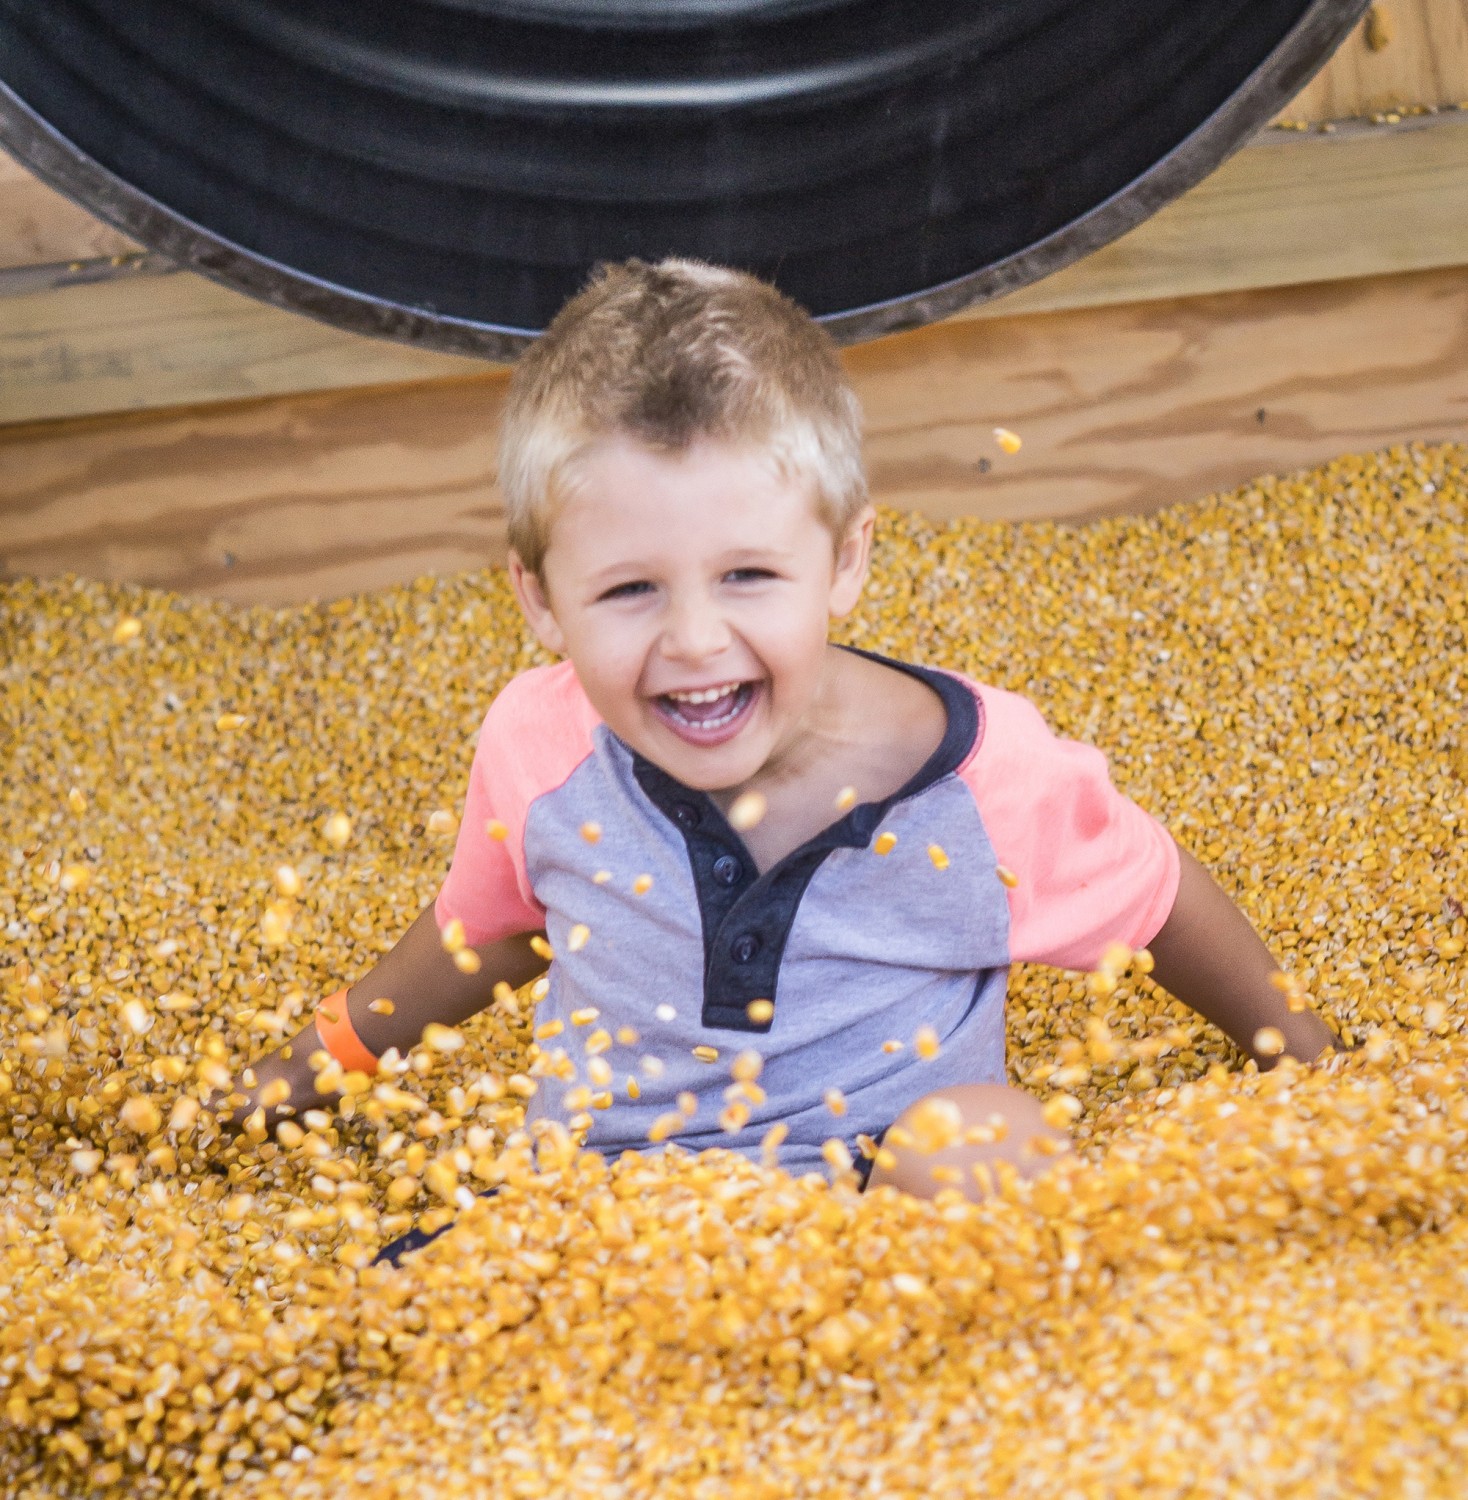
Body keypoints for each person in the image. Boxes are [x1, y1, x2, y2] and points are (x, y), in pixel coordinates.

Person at [220, 257, 1340, 1263]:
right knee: (418, 1298)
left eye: (748, 576)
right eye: (627, 590)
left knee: (992, 1143)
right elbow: (487, 933)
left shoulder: (978, 782)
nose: (696, 639)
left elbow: (1154, 899)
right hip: (602, 1221)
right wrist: (315, 1065)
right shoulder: (541, 746)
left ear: (845, 561)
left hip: (881, 1219)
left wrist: (1307, 1061)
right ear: (541, 601)